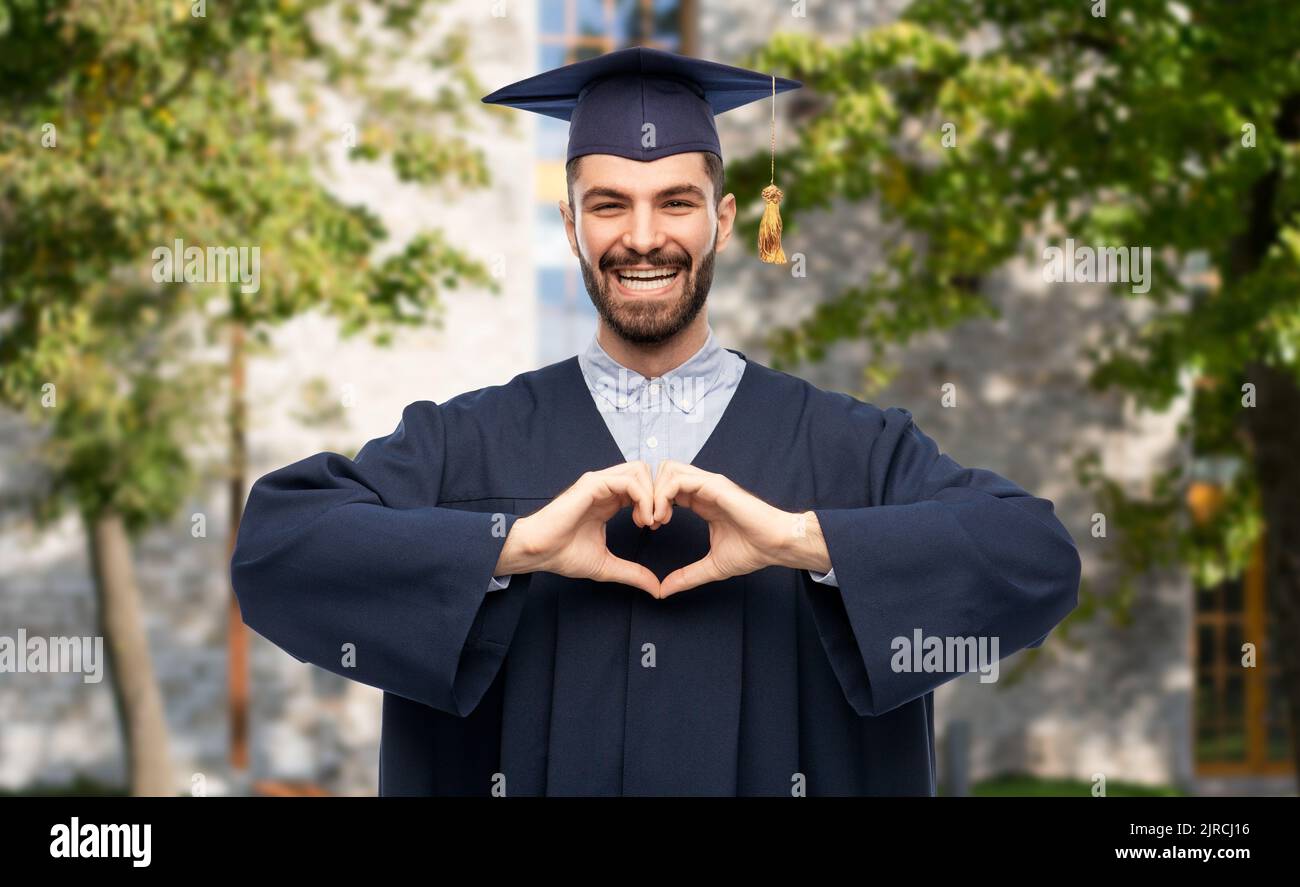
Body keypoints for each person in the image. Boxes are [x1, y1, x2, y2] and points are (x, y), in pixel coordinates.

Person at [230, 46, 1081, 796]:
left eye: (675, 202)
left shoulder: (852, 448)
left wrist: (808, 542)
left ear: (725, 219)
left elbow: (1037, 561)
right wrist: (508, 547)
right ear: (570, 225)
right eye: (608, 205)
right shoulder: (465, 445)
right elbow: (275, 549)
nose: (642, 237)